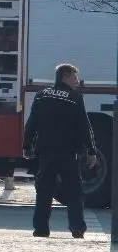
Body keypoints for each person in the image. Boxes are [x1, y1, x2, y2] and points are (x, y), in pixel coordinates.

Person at [23, 62, 98, 238]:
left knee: (44, 191)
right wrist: (91, 151)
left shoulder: (41, 96)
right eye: (74, 78)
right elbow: (84, 127)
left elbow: (31, 123)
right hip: (67, 153)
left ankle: (41, 228)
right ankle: (77, 227)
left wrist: (26, 146)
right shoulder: (74, 98)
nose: (77, 82)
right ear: (65, 77)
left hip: (46, 152)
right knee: (74, 191)